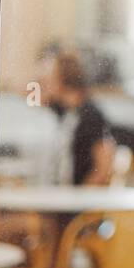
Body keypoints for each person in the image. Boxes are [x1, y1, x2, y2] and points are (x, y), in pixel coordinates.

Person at [36, 49, 116, 187]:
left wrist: (80, 199)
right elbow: (32, 96)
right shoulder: (64, 109)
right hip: (63, 194)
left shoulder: (91, 115)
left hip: (79, 199)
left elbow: (103, 169)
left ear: (64, 79)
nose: (44, 82)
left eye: (50, 77)